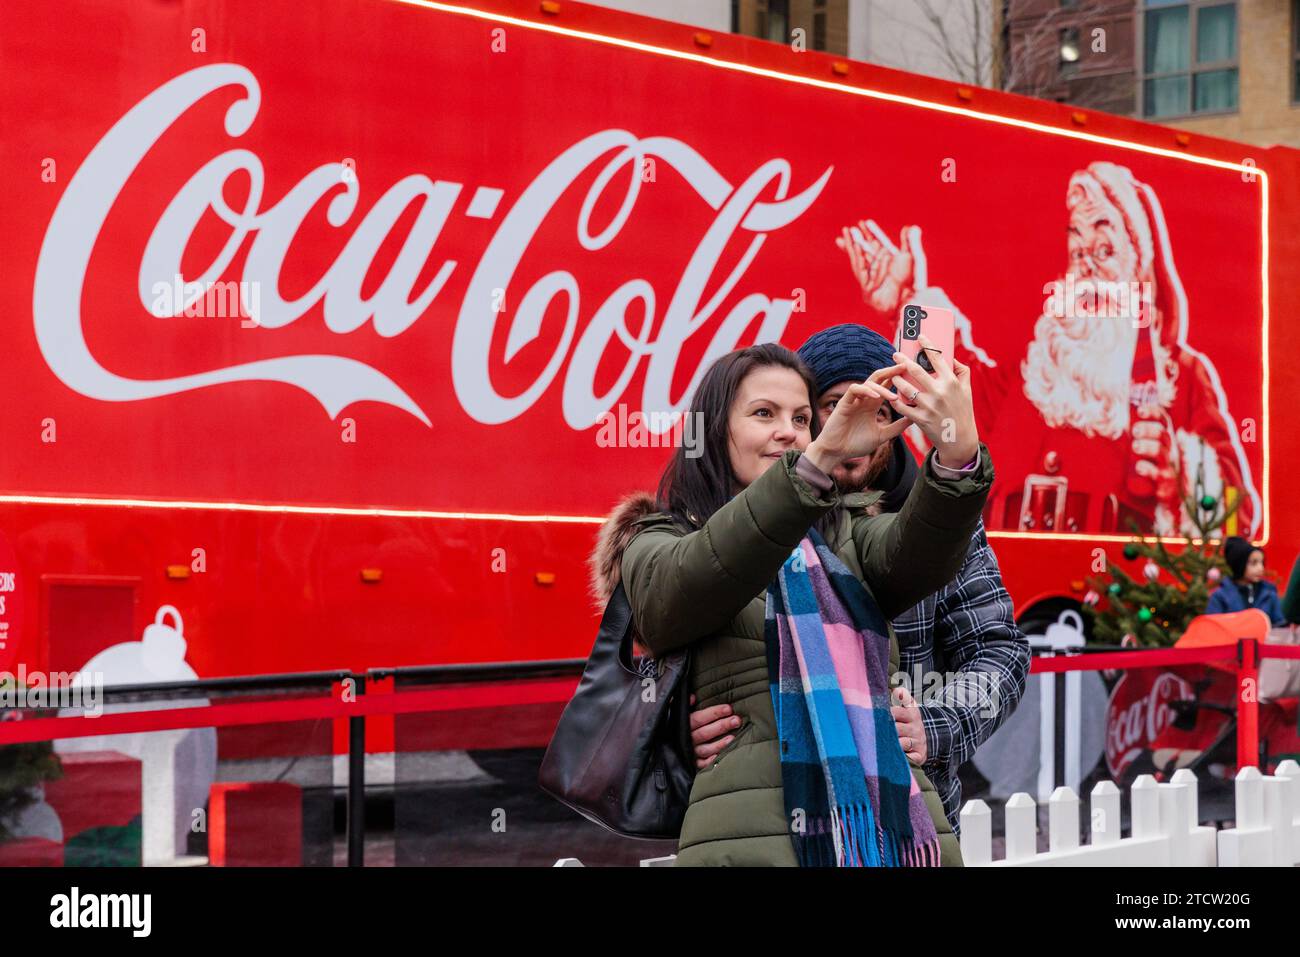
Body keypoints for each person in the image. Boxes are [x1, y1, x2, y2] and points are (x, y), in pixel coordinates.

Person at [588, 337, 992, 866]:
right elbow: (680, 594)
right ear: (713, 431)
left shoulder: (845, 534)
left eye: (802, 418)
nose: (788, 430)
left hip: (891, 833)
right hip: (755, 843)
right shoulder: (656, 537)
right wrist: (814, 463)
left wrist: (957, 453)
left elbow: (922, 555)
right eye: (763, 413)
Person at [689, 324, 1031, 836]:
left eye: (882, 411)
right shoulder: (748, 520)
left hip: (912, 816)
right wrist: (680, 728)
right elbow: (664, 654)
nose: (856, 425)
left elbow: (1000, 649)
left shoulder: (941, 520)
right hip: (779, 822)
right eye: (834, 404)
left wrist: (934, 725)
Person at [837, 161, 1260, 538]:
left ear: (1140, 273)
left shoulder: (1180, 378)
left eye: (1105, 249)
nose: (1086, 266)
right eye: (1077, 248)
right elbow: (941, 395)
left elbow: (1236, 519)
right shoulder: (1032, 376)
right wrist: (908, 298)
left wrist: (1183, 477)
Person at [1206, 536, 1286, 625]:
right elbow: (1213, 627)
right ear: (1239, 564)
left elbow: (1280, 625)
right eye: (1254, 563)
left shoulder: (1269, 593)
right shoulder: (1220, 596)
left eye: (1262, 563)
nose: (1261, 568)